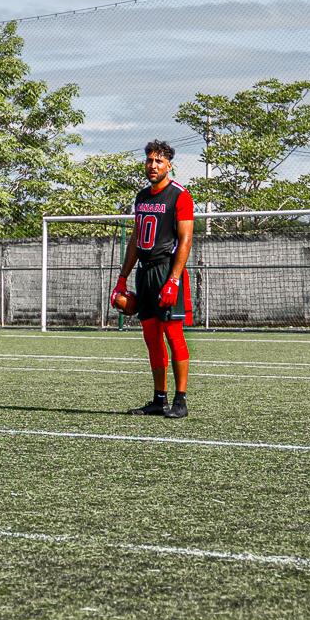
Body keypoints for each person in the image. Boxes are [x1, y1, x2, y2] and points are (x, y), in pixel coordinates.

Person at [110, 140, 195, 418]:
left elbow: (185, 240)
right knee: (151, 337)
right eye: (149, 160)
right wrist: (123, 278)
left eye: (159, 161)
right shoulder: (142, 197)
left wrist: (173, 280)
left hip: (166, 270)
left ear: (169, 164)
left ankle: (180, 400)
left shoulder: (180, 196)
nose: (153, 165)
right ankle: (159, 399)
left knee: (173, 335)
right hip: (144, 272)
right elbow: (136, 238)